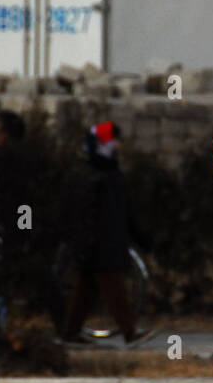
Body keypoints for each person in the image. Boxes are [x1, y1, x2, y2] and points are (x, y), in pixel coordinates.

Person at [59, 120, 155, 348]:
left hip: (102, 246)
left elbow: (125, 213)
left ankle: (70, 334)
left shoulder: (108, 175)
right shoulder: (97, 177)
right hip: (103, 247)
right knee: (115, 292)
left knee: (85, 292)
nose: (118, 145)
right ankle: (130, 334)